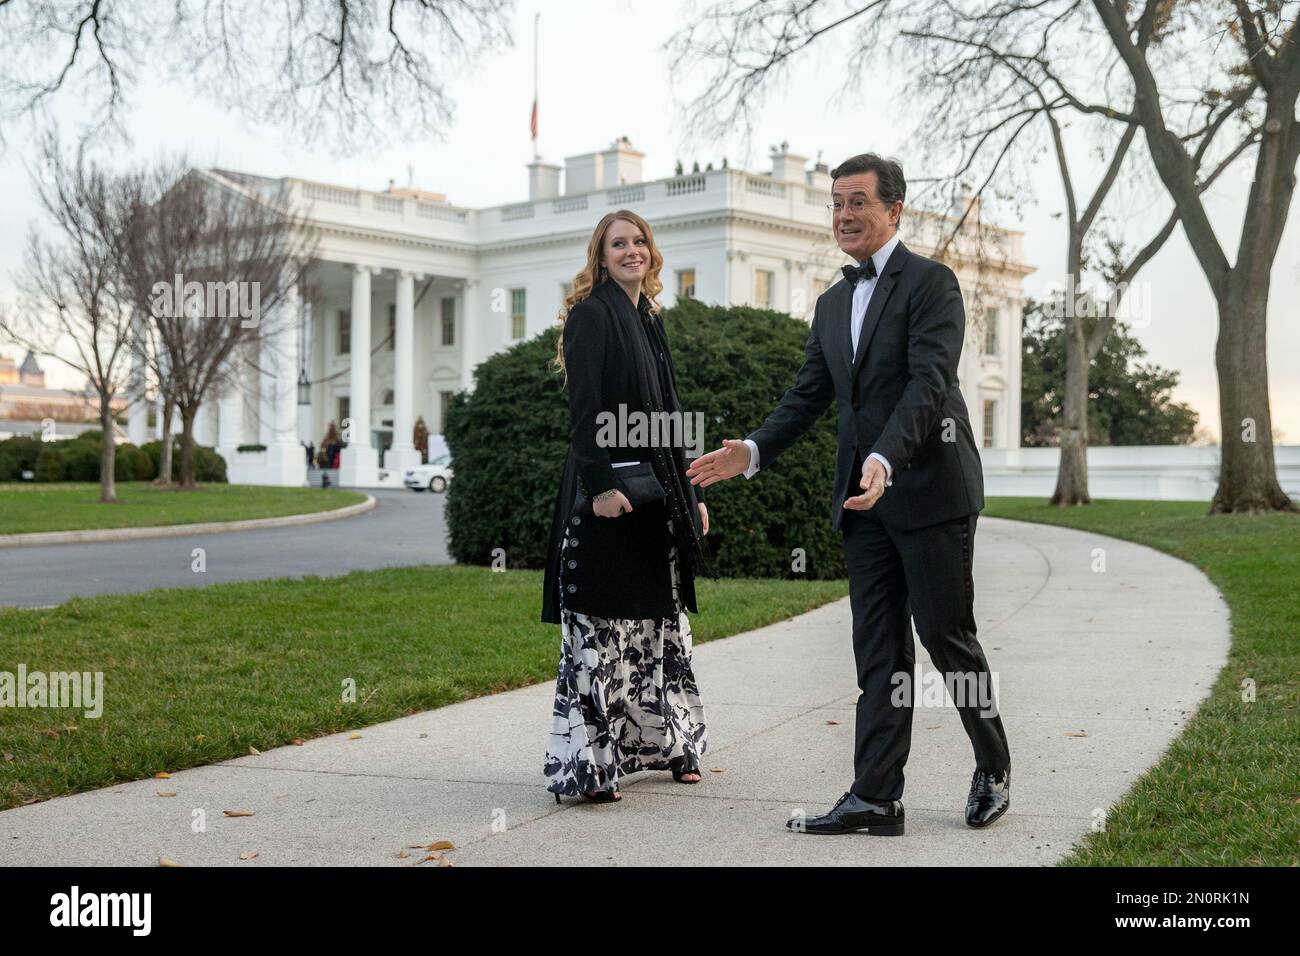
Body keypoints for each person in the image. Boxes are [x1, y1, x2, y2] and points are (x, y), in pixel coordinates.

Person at [687, 153, 1011, 835]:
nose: (844, 215)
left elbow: (929, 383)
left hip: (930, 492)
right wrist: (751, 450)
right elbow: (808, 393)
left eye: (858, 202)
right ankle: (875, 797)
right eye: (836, 202)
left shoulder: (932, 284)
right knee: (878, 653)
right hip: (861, 507)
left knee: (947, 639)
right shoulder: (833, 302)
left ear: (895, 210)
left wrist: (886, 457)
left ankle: (993, 765)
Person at [541, 209, 716, 804]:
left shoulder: (649, 319)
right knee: (605, 627)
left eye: (639, 240)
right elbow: (585, 411)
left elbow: (669, 413)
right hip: (611, 495)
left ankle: (673, 745)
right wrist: (599, 488)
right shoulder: (591, 317)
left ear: (651, 250)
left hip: (659, 494)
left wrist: (691, 495)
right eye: (618, 243)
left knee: (656, 626)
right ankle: (590, 768)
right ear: (601, 255)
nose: (631, 250)